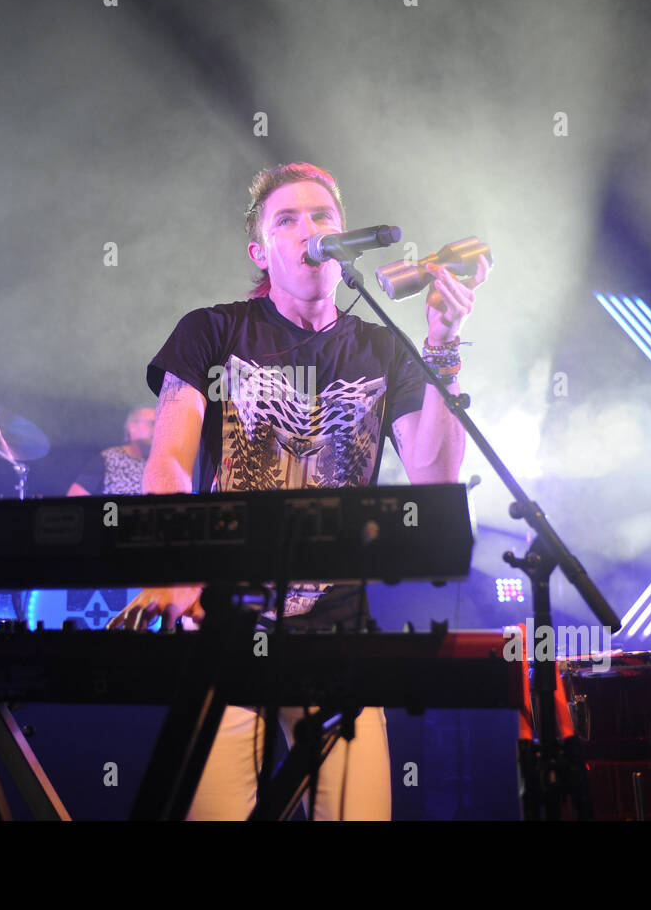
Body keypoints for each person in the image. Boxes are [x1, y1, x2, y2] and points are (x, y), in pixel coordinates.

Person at [108, 162, 486, 819]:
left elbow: (433, 476)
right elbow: (167, 458)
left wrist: (443, 346)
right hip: (225, 627)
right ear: (260, 252)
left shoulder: (383, 348)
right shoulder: (212, 331)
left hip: (337, 634)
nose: (309, 230)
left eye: (323, 218)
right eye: (287, 219)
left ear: (344, 242)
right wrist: (180, 566)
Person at [66, 406, 156, 496]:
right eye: (152, 423)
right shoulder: (109, 458)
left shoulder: (161, 462)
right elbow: (75, 496)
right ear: (132, 427)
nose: (157, 428)